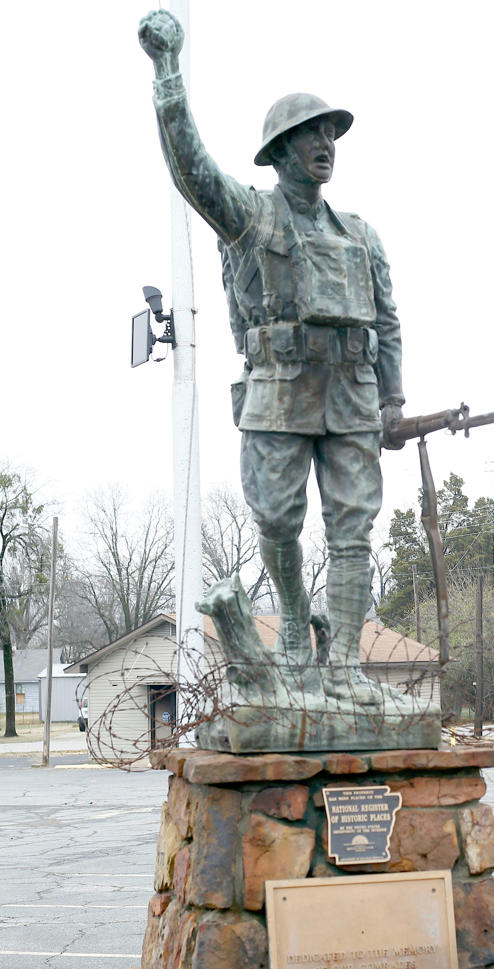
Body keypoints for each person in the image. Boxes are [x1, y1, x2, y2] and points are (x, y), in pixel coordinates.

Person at [138, 10, 405, 704]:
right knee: (279, 521)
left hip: (351, 391)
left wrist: (393, 400)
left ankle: (343, 665)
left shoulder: (362, 234)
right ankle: (292, 622)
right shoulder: (250, 216)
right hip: (280, 388)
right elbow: (191, 169)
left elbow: (388, 321)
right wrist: (168, 72)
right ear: (280, 150)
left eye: (330, 134)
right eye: (312, 134)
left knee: (354, 528)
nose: (326, 144)